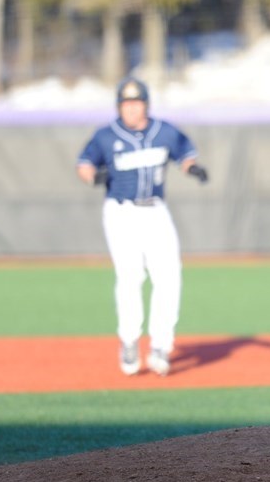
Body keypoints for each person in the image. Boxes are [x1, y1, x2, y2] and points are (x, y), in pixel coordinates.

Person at [76, 77, 208, 377]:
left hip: (155, 210)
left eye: (137, 103)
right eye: (126, 103)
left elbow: (184, 154)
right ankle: (129, 341)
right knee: (130, 275)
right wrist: (91, 177)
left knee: (169, 276)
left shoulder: (163, 131)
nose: (132, 109)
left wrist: (192, 168)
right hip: (121, 211)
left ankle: (161, 345)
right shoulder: (107, 135)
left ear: (146, 104)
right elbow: (84, 163)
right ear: (119, 106)